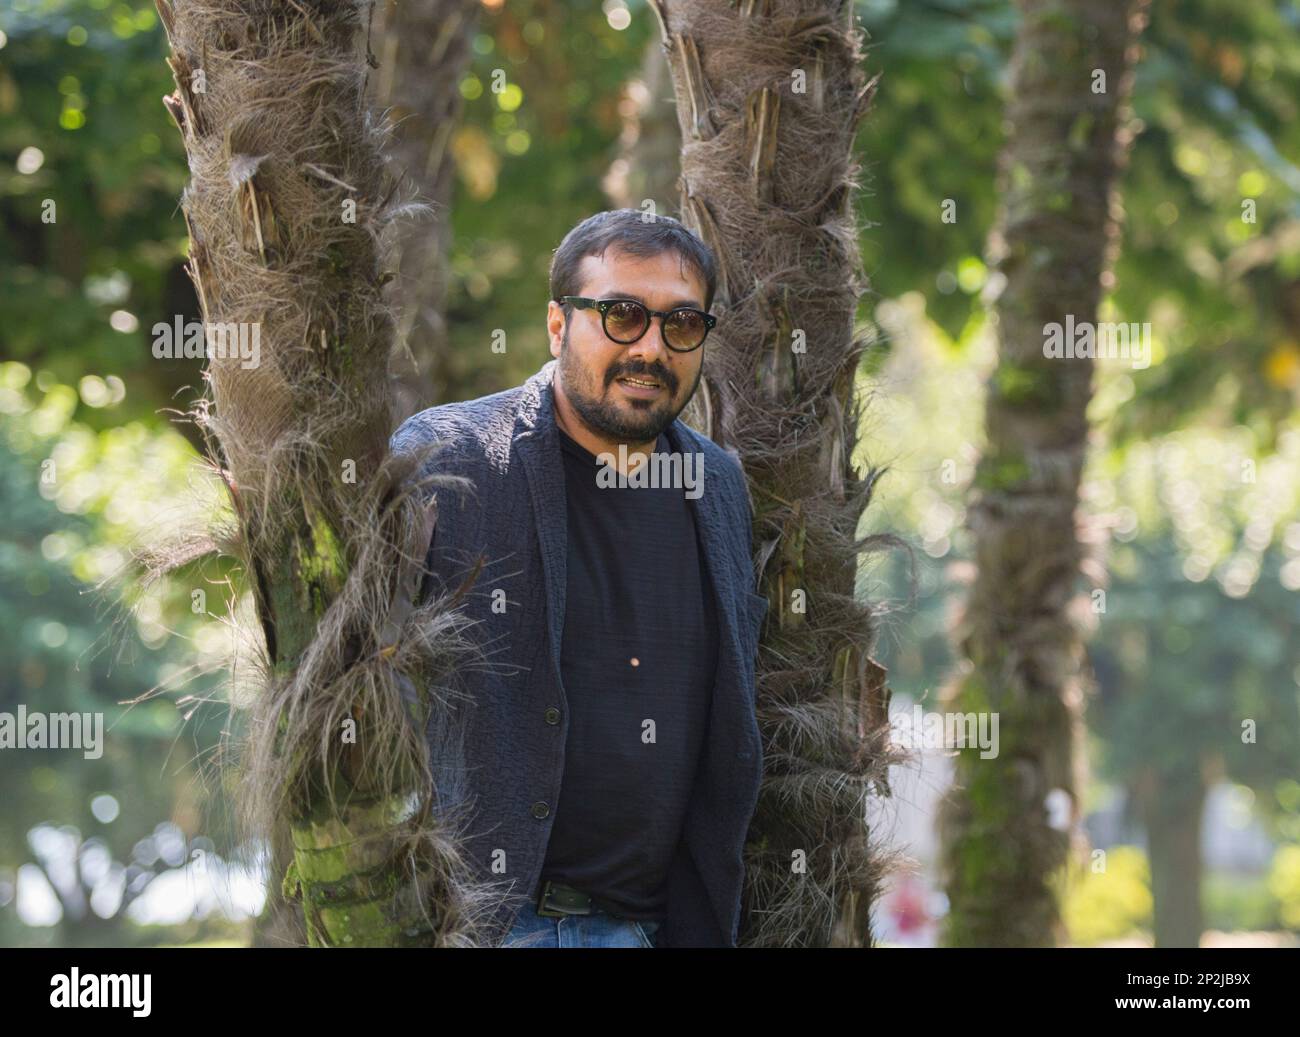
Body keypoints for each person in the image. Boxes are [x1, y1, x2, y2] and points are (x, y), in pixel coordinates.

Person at [391, 209, 769, 948]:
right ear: (559, 326)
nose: (652, 349)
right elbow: (368, 682)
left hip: (662, 926)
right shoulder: (448, 457)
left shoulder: (717, 484)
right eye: (623, 316)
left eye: (681, 324)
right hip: (490, 924)